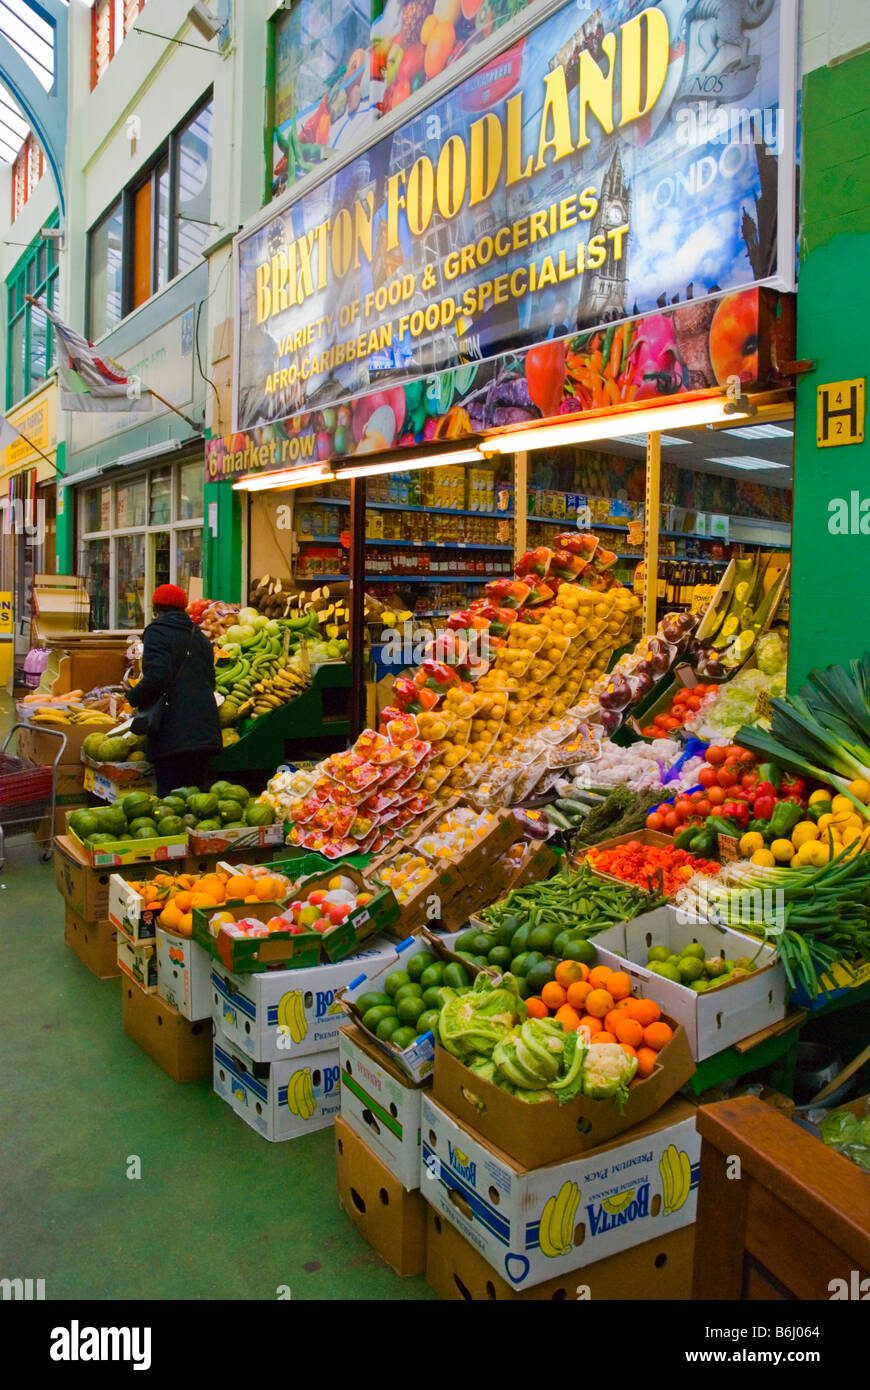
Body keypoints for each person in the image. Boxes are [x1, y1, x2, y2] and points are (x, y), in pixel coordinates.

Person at [127, 584, 222, 798]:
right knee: (198, 802)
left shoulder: (157, 632)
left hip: (173, 732)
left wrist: (133, 696)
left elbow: (157, 676)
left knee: (172, 802)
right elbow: (210, 680)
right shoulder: (199, 636)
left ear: (156, 609)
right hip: (205, 730)